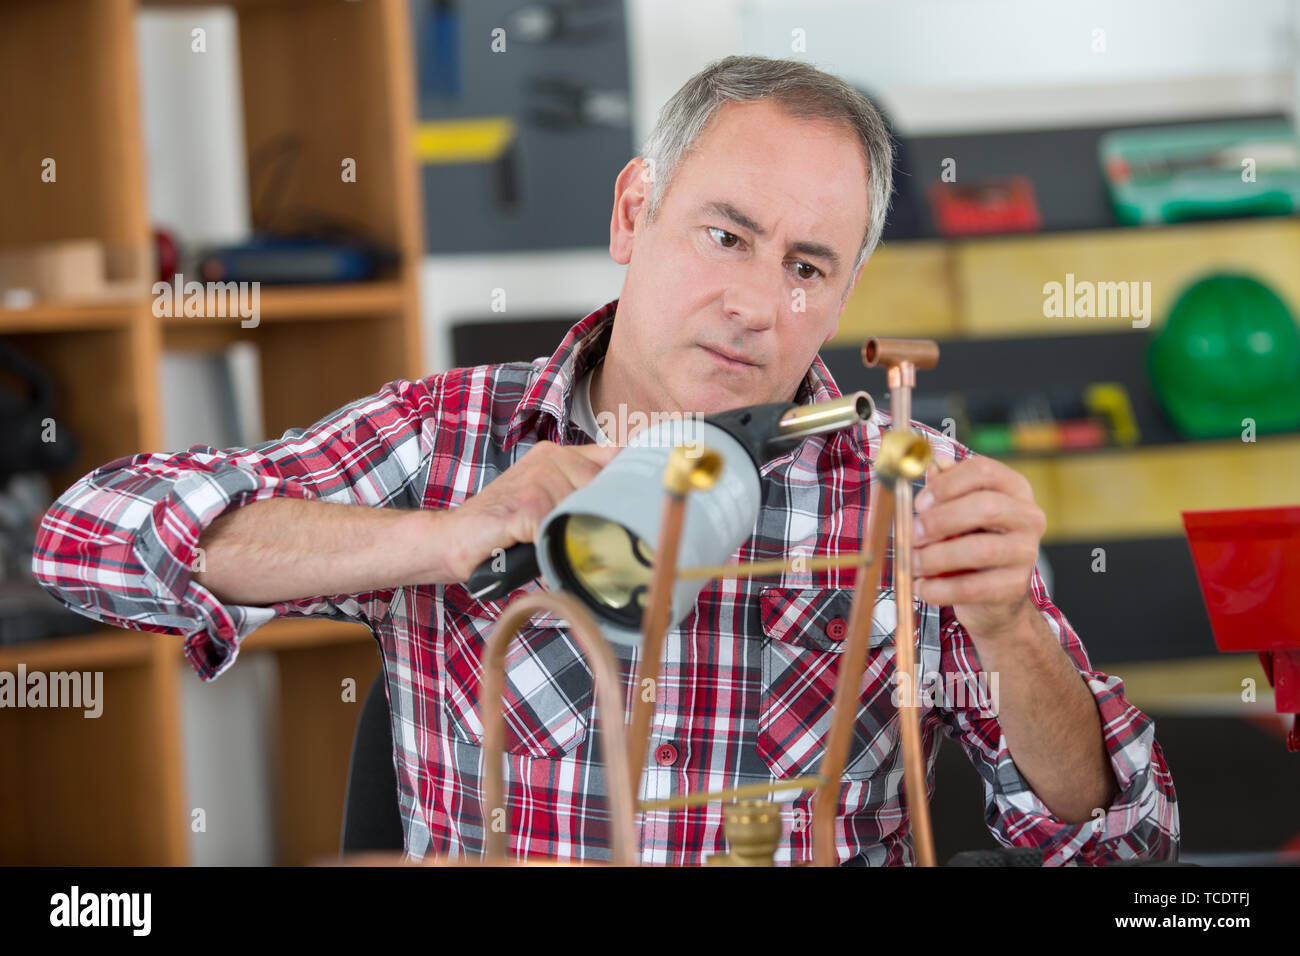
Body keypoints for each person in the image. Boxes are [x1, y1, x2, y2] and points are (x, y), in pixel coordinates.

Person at [33, 55, 1178, 866]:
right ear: (634, 211)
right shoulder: (447, 438)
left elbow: (1125, 842)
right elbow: (87, 538)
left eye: (805, 267)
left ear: (843, 295)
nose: (753, 304)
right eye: (724, 235)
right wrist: (442, 535)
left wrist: (1007, 631)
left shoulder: (911, 488)